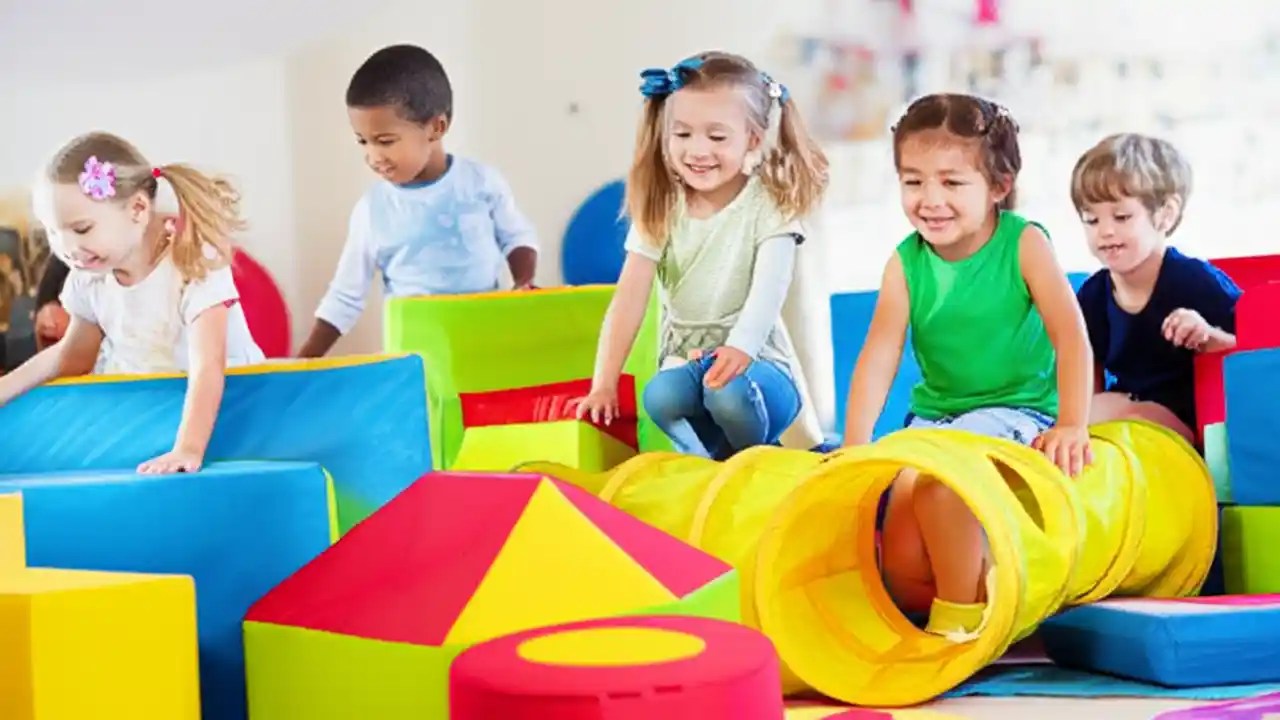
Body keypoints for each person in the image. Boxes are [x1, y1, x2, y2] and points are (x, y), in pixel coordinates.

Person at [841, 93, 1092, 640]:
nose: (930, 199)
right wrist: (855, 446)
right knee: (903, 562)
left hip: (1014, 411)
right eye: (913, 181)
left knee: (941, 486)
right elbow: (879, 354)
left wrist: (1073, 422)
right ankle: (977, 588)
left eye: (952, 183)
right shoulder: (906, 262)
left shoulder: (1023, 244)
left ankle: (960, 623)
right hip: (937, 421)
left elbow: (1070, 336)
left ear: (998, 187)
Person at [573, 51, 829, 459]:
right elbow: (628, 300)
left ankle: (761, 462)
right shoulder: (661, 209)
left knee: (727, 394)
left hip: (761, 366)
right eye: (683, 134)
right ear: (664, 134)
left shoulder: (769, 205)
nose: (698, 150)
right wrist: (604, 382)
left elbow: (769, 291)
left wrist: (740, 349)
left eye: (716, 136)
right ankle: (716, 461)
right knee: (661, 396)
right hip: (689, 361)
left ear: (753, 139)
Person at [0, 132, 264, 473]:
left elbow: (208, 366)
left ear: (138, 209)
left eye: (81, 229)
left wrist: (187, 449)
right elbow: (72, 356)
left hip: (228, 408)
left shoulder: (192, 262)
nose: (65, 248)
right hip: (148, 408)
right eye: (53, 232)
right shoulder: (89, 276)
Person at [298, 44, 539, 358]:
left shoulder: (480, 182)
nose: (373, 157)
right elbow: (345, 297)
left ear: (436, 127)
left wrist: (524, 282)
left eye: (385, 141)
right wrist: (301, 363)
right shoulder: (372, 210)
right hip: (415, 356)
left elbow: (517, 236)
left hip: (485, 341)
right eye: (363, 142)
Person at [1073, 133, 1240, 443]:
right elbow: (1086, 376)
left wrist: (1207, 335)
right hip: (1122, 418)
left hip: (1194, 425)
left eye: (1121, 217)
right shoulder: (1093, 295)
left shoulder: (1195, 280)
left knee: (1119, 414)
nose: (1106, 231)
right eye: (1091, 220)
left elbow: (1253, 356)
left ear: (1166, 214)